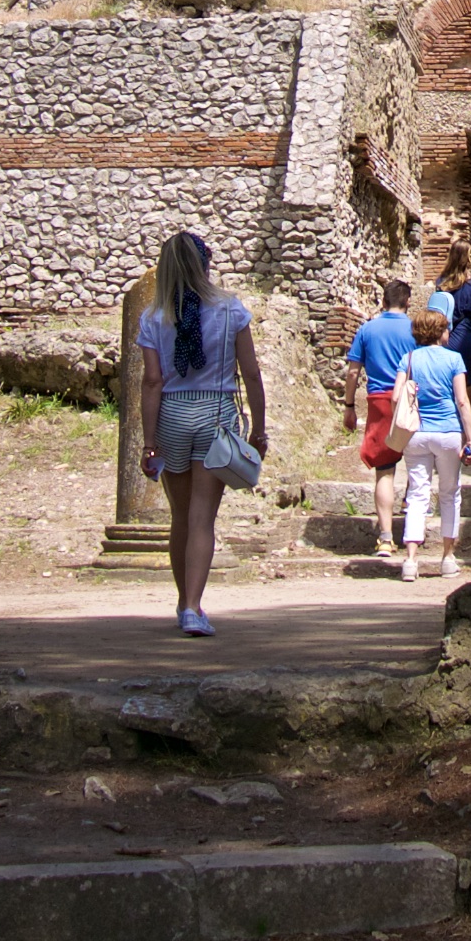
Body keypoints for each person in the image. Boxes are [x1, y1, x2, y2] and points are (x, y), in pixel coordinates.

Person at [135, 230, 266, 637]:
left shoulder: (153, 317)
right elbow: (251, 372)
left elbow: (152, 381)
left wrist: (150, 440)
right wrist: (259, 428)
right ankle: (194, 606)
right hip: (216, 414)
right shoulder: (230, 310)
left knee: (180, 517)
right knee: (202, 519)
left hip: (173, 413)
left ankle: (182, 601)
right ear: (204, 264)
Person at [395, 309, 471, 581]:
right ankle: (448, 558)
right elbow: (462, 401)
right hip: (448, 431)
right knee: (450, 493)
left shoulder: (409, 359)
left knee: (417, 494)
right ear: (441, 332)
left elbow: (396, 397)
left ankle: (410, 560)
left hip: (416, 433)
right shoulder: (453, 359)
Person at [341, 281, 417, 553]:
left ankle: (385, 537)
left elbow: (352, 372)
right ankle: (412, 521)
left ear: (383, 301)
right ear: (407, 301)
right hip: (411, 399)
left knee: (385, 472)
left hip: (379, 402)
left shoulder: (367, 328)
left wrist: (349, 405)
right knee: (417, 464)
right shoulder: (415, 329)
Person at [437, 244, 471, 407]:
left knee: (448, 391)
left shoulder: (440, 284)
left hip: (446, 341)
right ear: (468, 259)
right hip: (467, 343)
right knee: (469, 394)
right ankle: (466, 430)